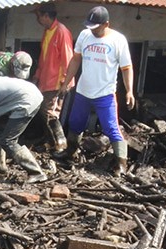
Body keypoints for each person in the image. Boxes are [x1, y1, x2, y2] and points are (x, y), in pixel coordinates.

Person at [58, 6, 135, 176]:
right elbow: (76, 60)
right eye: (89, 26)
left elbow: (126, 68)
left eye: (95, 27)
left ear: (106, 24)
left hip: (105, 93)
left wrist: (129, 91)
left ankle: (121, 163)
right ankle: (70, 153)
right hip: (83, 91)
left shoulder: (118, 40)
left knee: (111, 127)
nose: (91, 30)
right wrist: (66, 82)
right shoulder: (85, 35)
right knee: (75, 123)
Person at [32, 2, 74, 151]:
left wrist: (65, 82)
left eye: (39, 16)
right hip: (45, 80)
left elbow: (68, 59)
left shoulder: (61, 31)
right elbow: (43, 58)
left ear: (46, 15)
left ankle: (60, 143)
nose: (38, 20)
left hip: (56, 81)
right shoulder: (47, 31)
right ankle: (51, 141)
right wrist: (37, 76)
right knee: (43, 111)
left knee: (49, 112)